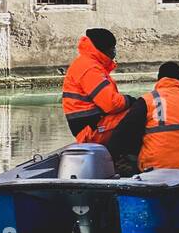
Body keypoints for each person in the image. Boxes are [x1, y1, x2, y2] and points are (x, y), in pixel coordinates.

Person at [62, 29, 147, 163]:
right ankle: (121, 158)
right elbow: (111, 104)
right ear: (104, 49)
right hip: (92, 130)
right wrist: (130, 101)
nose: (114, 52)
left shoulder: (88, 63)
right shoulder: (90, 68)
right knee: (142, 113)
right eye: (112, 48)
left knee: (139, 110)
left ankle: (124, 156)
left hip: (93, 125)